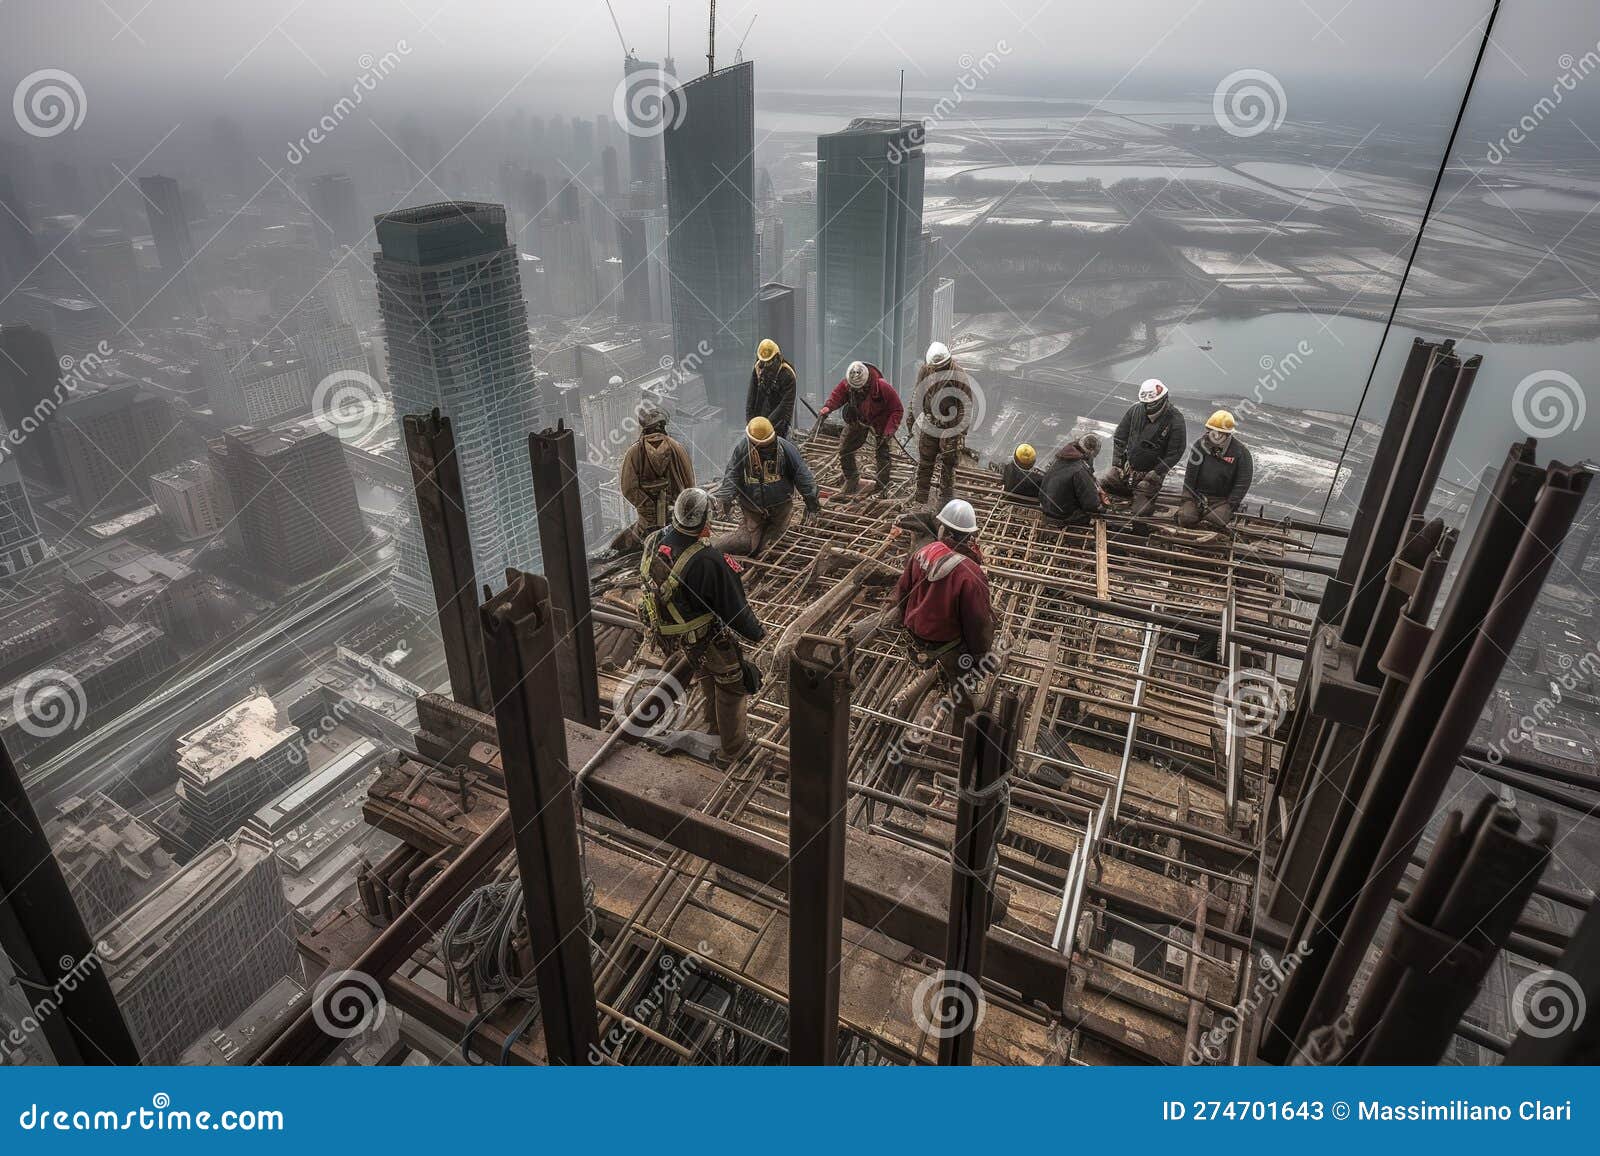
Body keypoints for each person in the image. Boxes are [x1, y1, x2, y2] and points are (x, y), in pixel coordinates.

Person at [638, 488, 765, 762]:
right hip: (704, 635)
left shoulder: (653, 540)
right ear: (705, 520)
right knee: (732, 683)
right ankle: (733, 750)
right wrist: (757, 633)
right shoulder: (707, 561)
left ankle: (713, 726)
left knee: (706, 672)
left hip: (673, 634)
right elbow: (736, 610)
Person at [895, 498, 996, 736]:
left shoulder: (922, 553)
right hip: (947, 646)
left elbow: (901, 594)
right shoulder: (971, 575)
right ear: (969, 536)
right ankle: (961, 731)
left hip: (915, 637)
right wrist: (981, 656)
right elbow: (978, 624)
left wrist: (907, 623)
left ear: (942, 528)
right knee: (963, 687)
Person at [713, 416, 820, 557]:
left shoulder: (786, 449)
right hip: (752, 510)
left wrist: (812, 505)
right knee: (746, 543)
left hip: (779, 510)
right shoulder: (743, 449)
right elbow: (732, 474)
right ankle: (713, 546)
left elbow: (803, 476)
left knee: (772, 546)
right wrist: (725, 498)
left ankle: (768, 541)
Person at [610, 399, 695, 552]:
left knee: (632, 549)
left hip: (646, 521)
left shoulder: (634, 452)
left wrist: (647, 508)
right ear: (663, 426)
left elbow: (628, 488)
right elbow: (689, 484)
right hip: (674, 515)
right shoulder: (677, 448)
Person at [1102, 378, 1187, 517]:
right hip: (1127, 469)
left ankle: (1140, 507)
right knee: (1104, 482)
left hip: (1151, 475)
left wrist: (1157, 472)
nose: (1147, 407)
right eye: (1145, 404)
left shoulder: (1175, 420)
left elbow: (1175, 452)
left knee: (1141, 510)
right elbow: (1119, 437)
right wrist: (1118, 463)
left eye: (1151, 404)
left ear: (1162, 399)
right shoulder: (1135, 410)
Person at [818, 360, 903, 494]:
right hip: (860, 418)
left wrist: (889, 431)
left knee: (882, 453)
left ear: (867, 381)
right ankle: (851, 479)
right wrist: (828, 407)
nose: (858, 391)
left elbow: (897, 410)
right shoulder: (848, 383)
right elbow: (837, 395)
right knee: (845, 449)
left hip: (881, 420)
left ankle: (881, 488)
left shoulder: (882, 386)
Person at [912, 341, 974, 508]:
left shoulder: (959, 376)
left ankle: (945, 500)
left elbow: (965, 407)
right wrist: (912, 418)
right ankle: (921, 498)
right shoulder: (926, 370)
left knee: (948, 462)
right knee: (926, 460)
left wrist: (959, 432)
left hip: (950, 427)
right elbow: (918, 394)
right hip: (931, 423)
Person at [1178, 410, 1253, 530]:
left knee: (1211, 524)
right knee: (1186, 518)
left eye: (1221, 433)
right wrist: (1187, 498)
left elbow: (1243, 483)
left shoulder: (1241, 453)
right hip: (1197, 497)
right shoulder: (1199, 446)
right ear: (1209, 430)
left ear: (1228, 434)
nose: (1217, 436)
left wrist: (1230, 505)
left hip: (1222, 501)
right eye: (1214, 432)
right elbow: (1190, 476)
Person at [1040, 434, 1105, 527]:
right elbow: (1092, 505)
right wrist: (1103, 506)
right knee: (1098, 518)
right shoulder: (1080, 469)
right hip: (1064, 517)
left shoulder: (1057, 459)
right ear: (1091, 453)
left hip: (1046, 510)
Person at [746, 338, 797, 439]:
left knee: (779, 446)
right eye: (763, 362)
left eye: (769, 362)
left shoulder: (787, 374)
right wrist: (750, 422)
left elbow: (785, 405)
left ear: (777, 358)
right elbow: (751, 398)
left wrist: (767, 424)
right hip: (760, 414)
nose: (765, 366)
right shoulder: (758, 369)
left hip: (780, 421)